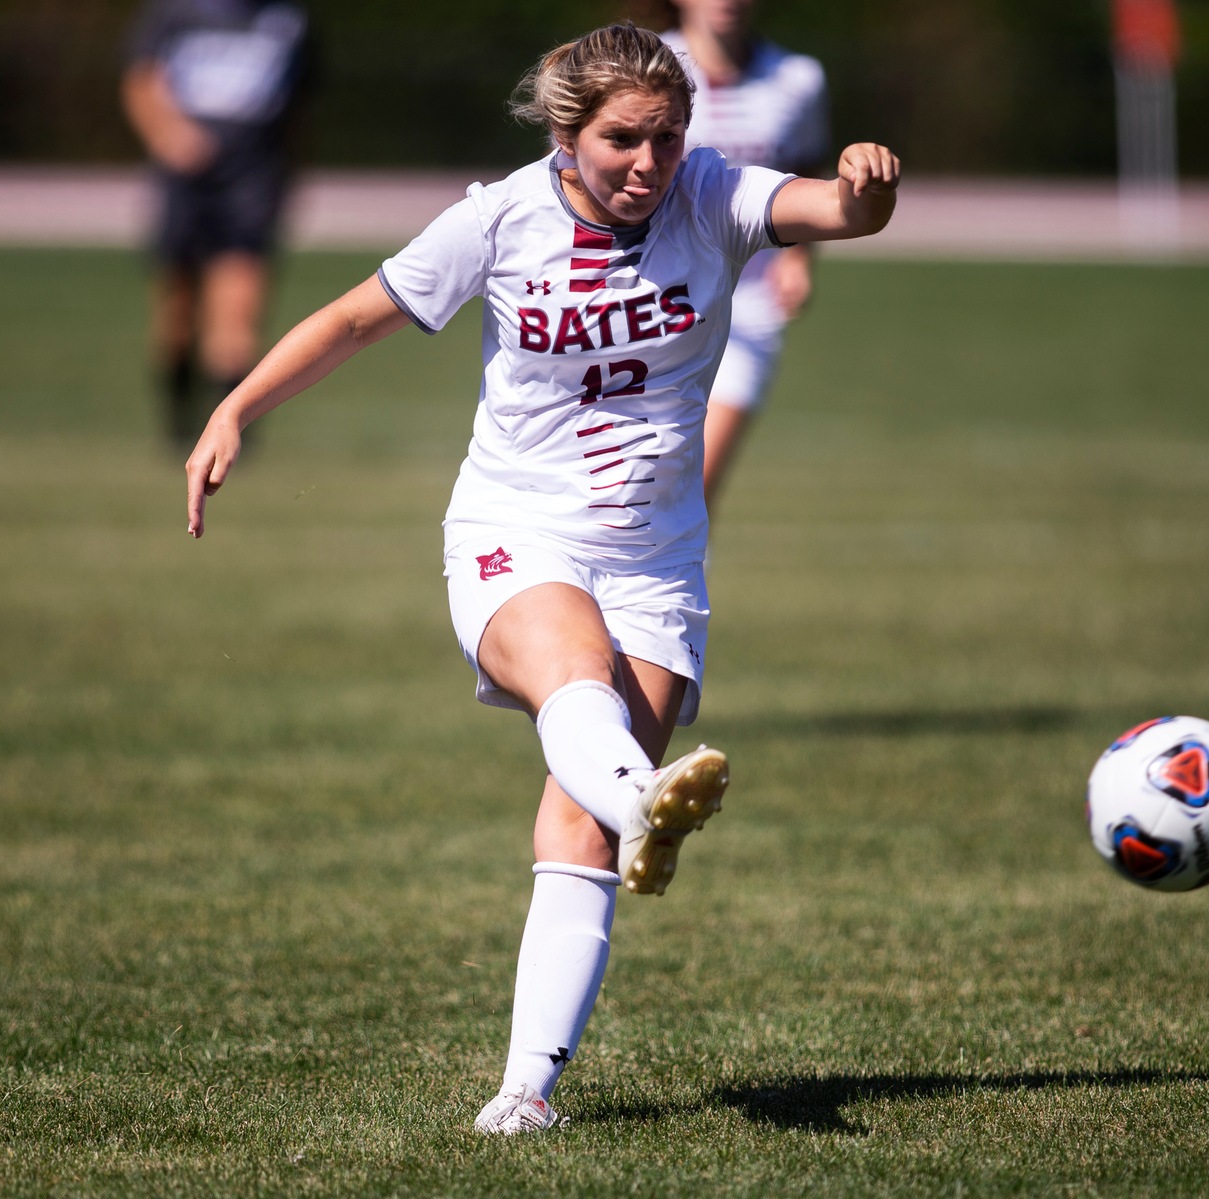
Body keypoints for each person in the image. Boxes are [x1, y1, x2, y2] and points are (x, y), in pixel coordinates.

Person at [182, 22, 898, 1134]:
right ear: (568, 135)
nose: (649, 164)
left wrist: (865, 187)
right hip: (517, 528)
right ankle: (643, 797)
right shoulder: (500, 218)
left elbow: (839, 213)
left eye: (667, 138)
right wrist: (235, 406)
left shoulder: (712, 194)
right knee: (577, 682)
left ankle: (526, 1094)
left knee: (579, 829)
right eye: (624, 140)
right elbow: (357, 317)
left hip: (656, 560)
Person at [658, 0, 829, 509]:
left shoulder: (797, 79)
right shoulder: (645, 64)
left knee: (692, 486)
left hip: (747, 305)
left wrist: (799, 256)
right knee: (645, 485)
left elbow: (806, 168)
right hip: (655, 295)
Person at [122, 0, 312, 449]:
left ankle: (234, 425)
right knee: (177, 313)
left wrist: (290, 177)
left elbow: (300, 106)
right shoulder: (176, 11)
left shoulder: (290, 19)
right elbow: (140, 80)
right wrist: (168, 135)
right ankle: (179, 422)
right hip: (185, 182)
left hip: (252, 180)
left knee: (238, 311)